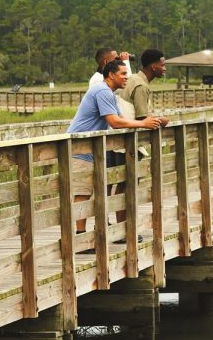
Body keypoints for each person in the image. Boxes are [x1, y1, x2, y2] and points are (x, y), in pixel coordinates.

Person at [68, 59, 167, 235]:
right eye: (123, 74)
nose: (126, 77)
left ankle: (93, 232)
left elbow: (122, 119)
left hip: (92, 147)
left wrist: (154, 120)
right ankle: (80, 235)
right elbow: (114, 122)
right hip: (80, 147)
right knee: (83, 192)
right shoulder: (102, 91)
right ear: (111, 75)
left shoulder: (111, 95)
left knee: (93, 190)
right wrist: (143, 124)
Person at [121, 48, 167, 117]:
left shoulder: (133, 78)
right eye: (162, 65)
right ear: (153, 67)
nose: (165, 69)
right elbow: (142, 117)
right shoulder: (141, 86)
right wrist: (160, 120)